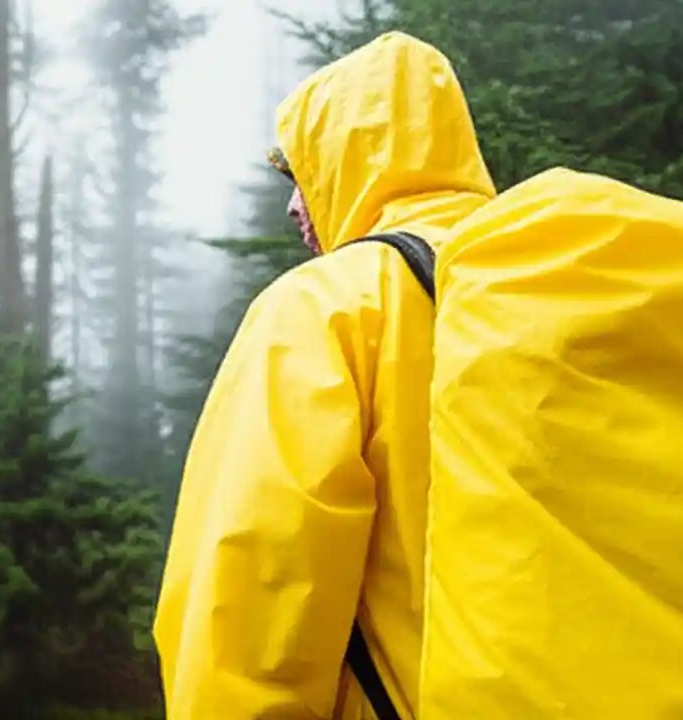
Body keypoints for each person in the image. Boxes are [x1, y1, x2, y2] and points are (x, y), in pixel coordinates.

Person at [153, 31, 495, 719]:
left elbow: (256, 592)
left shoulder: (326, 307)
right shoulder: (540, 278)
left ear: (354, 157)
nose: (294, 207)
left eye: (301, 173)